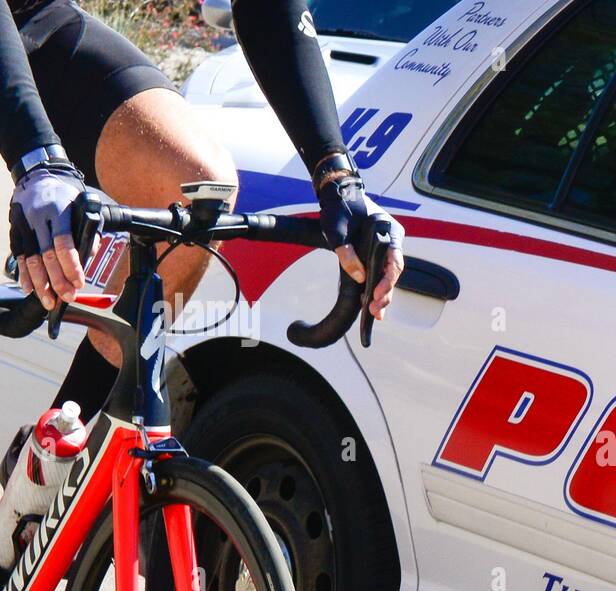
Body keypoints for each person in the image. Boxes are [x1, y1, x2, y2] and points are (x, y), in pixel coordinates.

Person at [0, 0, 404, 422]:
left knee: (195, 185)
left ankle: (61, 449)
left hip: (31, 17)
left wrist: (336, 176)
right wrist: (36, 161)